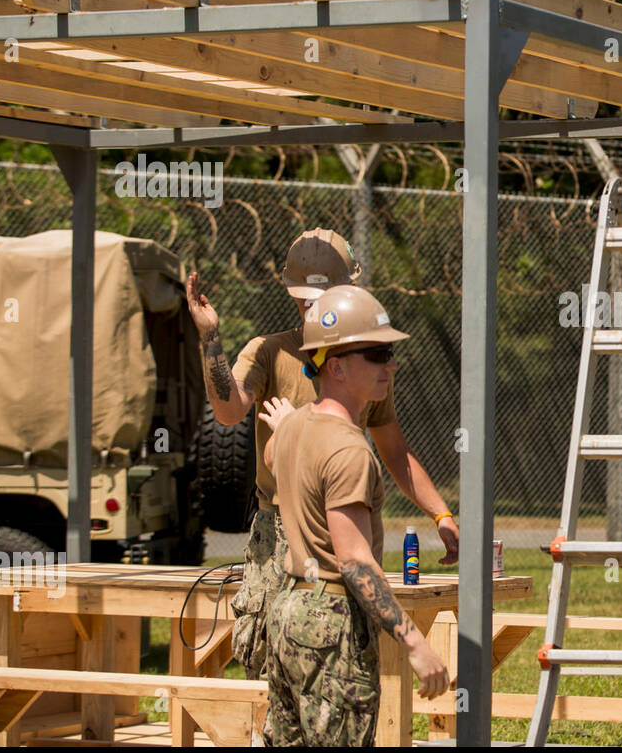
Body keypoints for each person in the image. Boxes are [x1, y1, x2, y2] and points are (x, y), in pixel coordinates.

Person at [185, 228, 459, 679]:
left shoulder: (364, 362)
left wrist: (440, 515)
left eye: (321, 296)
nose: (310, 306)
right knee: (266, 652)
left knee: (344, 656)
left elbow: (394, 450)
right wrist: (211, 339)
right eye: (302, 297)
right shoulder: (270, 352)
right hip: (279, 525)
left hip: (344, 519)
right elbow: (229, 409)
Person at [259, 283, 449, 746]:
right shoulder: (349, 449)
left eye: (389, 353)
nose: (392, 364)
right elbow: (355, 562)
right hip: (331, 624)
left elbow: (272, 460)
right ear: (337, 366)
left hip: (286, 612)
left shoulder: (296, 426)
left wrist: (289, 428)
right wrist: (417, 645)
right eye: (378, 353)